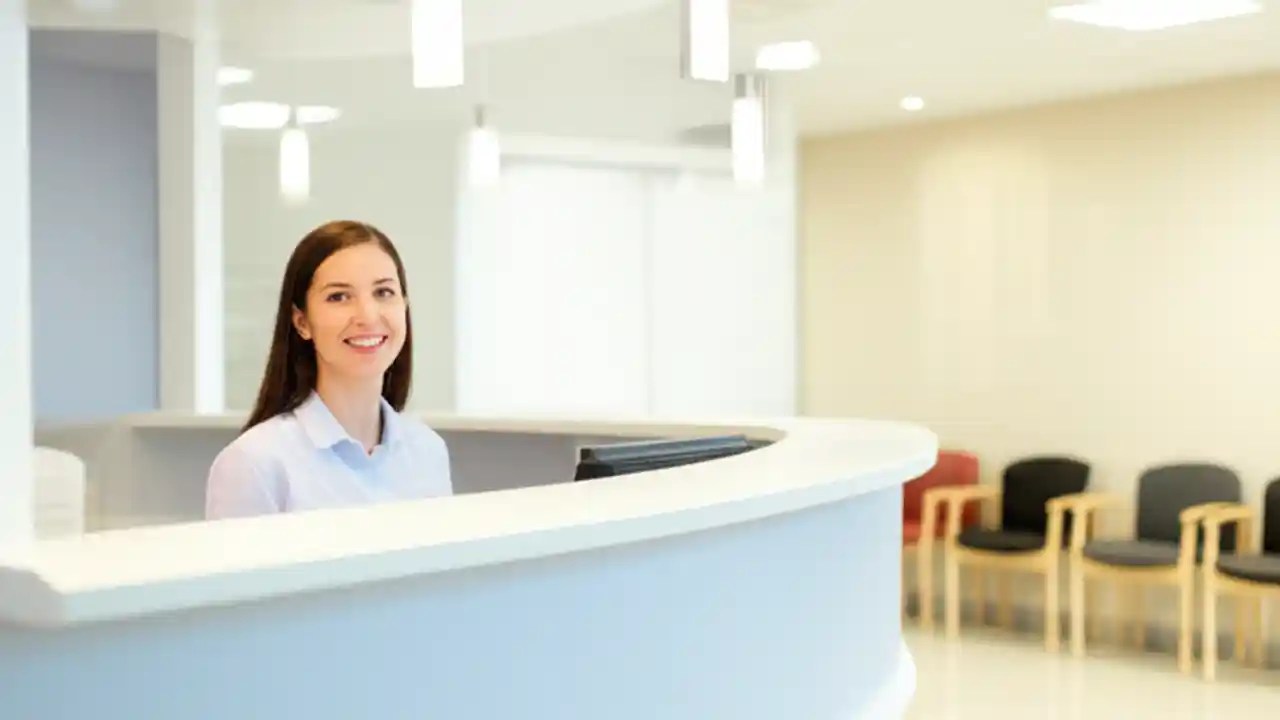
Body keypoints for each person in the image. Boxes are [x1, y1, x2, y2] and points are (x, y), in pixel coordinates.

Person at [205, 220, 452, 519]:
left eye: (383, 292)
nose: (367, 316)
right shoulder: (255, 463)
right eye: (339, 297)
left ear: (404, 306)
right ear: (302, 322)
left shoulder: (428, 452)